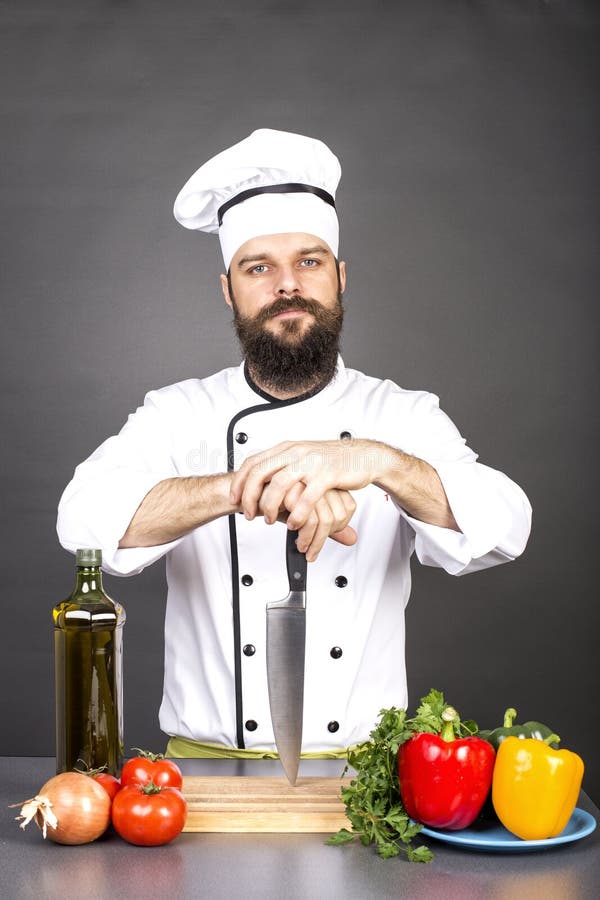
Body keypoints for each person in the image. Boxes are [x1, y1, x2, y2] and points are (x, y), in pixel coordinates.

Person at [57, 128, 532, 759]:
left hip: (365, 777)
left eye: (308, 262)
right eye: (260, 267)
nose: (288, 285)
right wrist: (238, 486)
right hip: (201, 772)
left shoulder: (398, 415)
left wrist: (375, 460)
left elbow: (507, 528)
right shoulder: (178, 414)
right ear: (229, 289)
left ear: (339, 277)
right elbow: (81, 523)